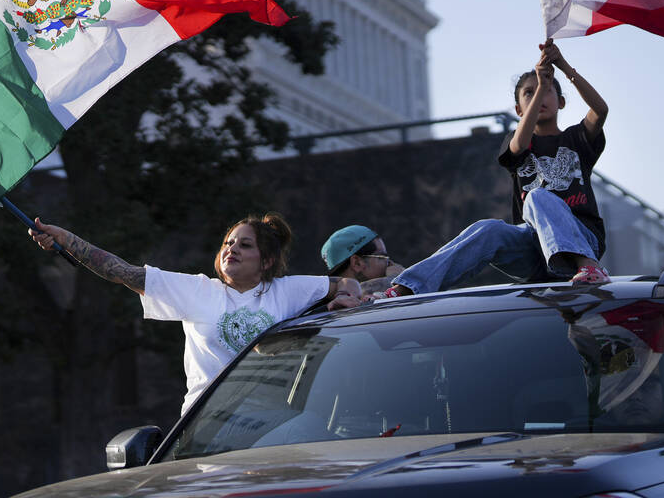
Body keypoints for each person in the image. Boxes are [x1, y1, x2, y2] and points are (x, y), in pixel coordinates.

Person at [30, 212, 361, 415]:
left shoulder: (287, 290)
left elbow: (348, 282)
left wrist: (348, 296)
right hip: (207, 426)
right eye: (228, 243)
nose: (232, 249)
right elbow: (121, 272)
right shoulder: (198, 290)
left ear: (268, 261)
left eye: (245, 245)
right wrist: (66, 239)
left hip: (272, 429)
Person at [384, 39, 610, 297]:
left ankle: (588, 266)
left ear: (561, 102)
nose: (539, 95)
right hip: (535, 250)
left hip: (583, 239)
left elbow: (600, 110)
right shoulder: (518, 142)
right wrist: (542, 85)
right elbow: (519, 144)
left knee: (538, 196)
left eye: (547, 91)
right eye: (529, 93)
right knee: (488, 228)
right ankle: (408, 287)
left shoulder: (576, 139)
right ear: (518, 109)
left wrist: (564, 66)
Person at [321, 224, 404, 291]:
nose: (390, 263)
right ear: (357, 263)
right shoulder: (347, 299)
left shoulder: (325, 297)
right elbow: (357, 292)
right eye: (382, 257)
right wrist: (397, 278)